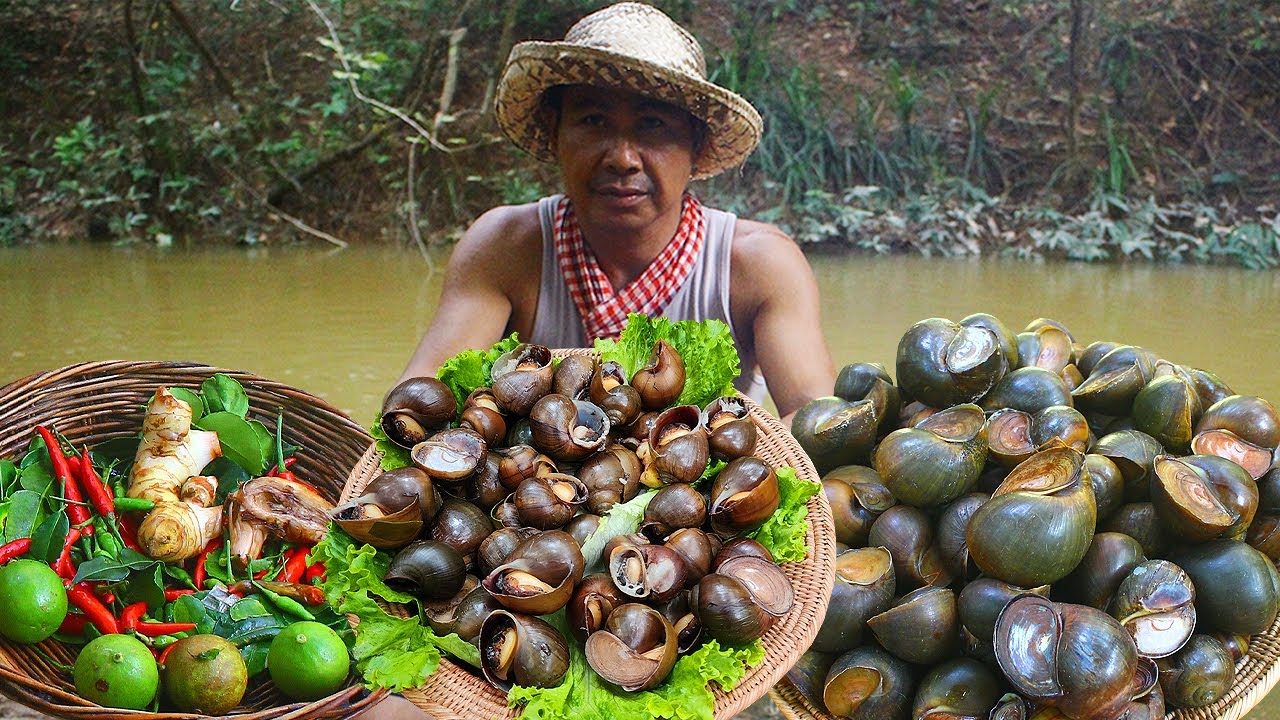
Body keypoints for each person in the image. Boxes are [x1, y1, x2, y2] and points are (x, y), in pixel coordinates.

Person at [399, 1, 835, 422]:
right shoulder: (507, 247)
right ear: (555, 133)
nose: (623, 158)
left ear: (696, 146)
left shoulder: (758, 265)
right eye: (593, 121)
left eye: (652, 125)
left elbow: (813, 417)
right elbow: (419, 402)